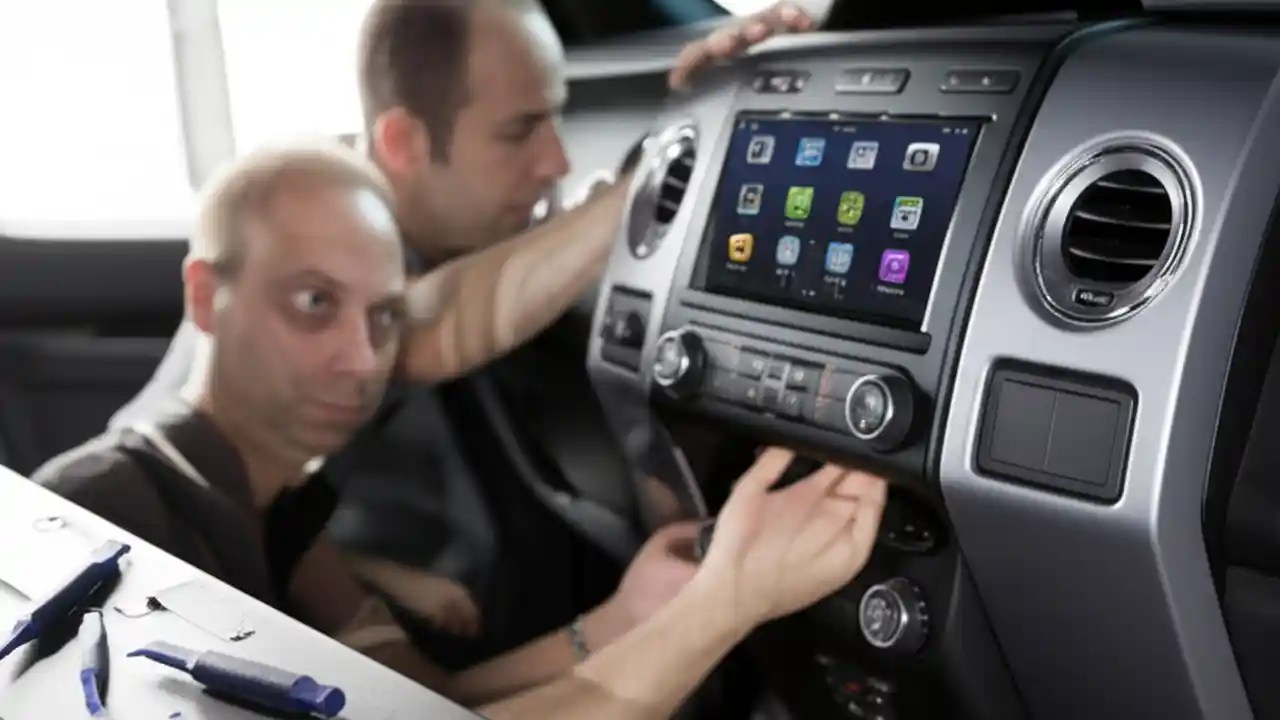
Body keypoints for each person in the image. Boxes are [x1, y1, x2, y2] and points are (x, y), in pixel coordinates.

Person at [32, 142, 889, 719]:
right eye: (313, 303)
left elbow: (411, 702)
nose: (361, 360)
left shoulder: (280, 510)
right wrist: (726, 602)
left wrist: (627, 617)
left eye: (385, 317)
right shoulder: (95, 516)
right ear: (202, 298)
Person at [104, 0, 821, 663]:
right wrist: (668, 161)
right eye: (519, 132)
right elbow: (431, 324)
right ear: (403, 141)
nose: (559, 163)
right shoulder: (319, 250)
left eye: (558, 119)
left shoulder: (278, 492)